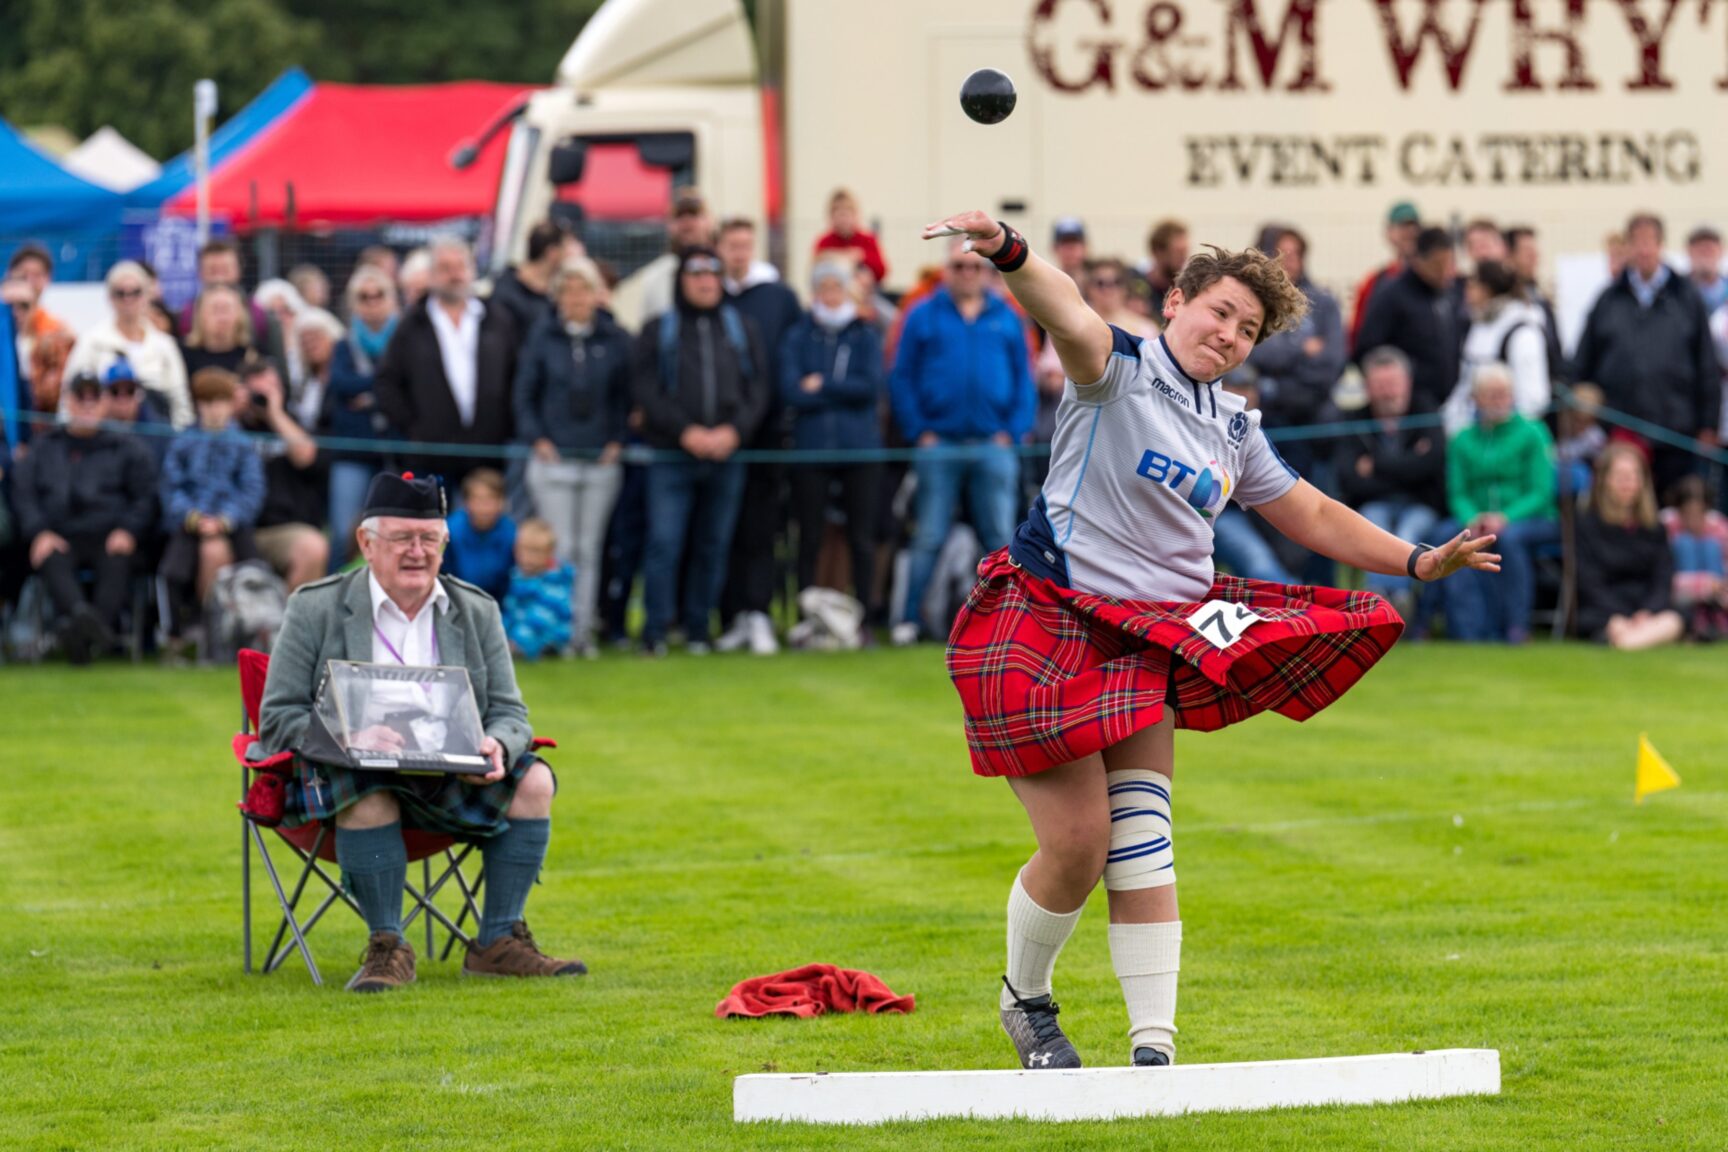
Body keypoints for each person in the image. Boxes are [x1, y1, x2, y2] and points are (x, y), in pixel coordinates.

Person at [920, 208, 1496, 1072]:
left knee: (1144, 835)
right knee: (1079, 846)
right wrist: (1009, 249)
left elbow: (1307, 510)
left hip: (1150, 636)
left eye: (1247, 330)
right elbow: (1065, 309)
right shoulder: (1115, 368)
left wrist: (1414, 559)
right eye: (1218, 312)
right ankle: (1027, 1001)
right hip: (1047, 619)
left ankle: (1155, 1052)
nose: (1228, 336)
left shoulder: (1233, 424)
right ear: (1179, 300)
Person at [257, 471, 584, 992]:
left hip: (451, 778)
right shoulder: (315, 607)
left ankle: (498, 942)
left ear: (444, 542)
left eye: (429, 539)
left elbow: (510, 713)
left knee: (536, 780)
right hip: (353, 773)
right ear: (367, 543)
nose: (417, 552)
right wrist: (349, 735)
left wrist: (496, 744)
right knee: (369, 794)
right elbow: (276, 718)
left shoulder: (476, 610)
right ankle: (387, 946)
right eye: (402, 538)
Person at [889, 239, 1035, 643]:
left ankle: (1011, 624)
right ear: (946, 270)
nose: (967, 273)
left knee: (1001, 541)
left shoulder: (1006, 316)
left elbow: (1025, 377)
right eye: (958, 266)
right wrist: (920, 430)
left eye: (974, 267)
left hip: (994, 443)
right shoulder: (922, 314)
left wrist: (1014, 430)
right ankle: (907, 620)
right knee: (929, 536)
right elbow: (901, 376)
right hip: (941, 444)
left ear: (986, 271)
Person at [631, 247, 770, 655]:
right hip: (672, 457)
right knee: (664, 543)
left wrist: (735, 431)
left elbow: (759, 389)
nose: (706, 282)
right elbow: (645, 389)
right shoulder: (659, 329)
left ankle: (697, 629)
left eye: (713, 274)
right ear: (682, 280)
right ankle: (655, 630)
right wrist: (684, 432)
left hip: (726, 456)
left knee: (713, 545)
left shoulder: (741, 327)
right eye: (696, 275)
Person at [514, 257, 630, 655]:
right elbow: (525, 394)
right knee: (559, 548)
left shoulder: (614, 339)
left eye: (584, 289)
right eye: (569, 290)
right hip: (553, 460)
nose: (577, 298)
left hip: (599, 461)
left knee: (588, 548)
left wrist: (617, 439)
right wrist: (538, 439)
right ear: (558, 295)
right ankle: (559, 631)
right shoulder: (541, 338)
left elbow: (624, 395)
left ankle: (582, 631)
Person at [11, 372, 158, 664]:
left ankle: (81, 633)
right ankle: (92, 630)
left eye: (95, 398)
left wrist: (128, 529)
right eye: (81, 398)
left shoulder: (127, 447)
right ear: (68, 401)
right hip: (59, 534)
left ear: (105, 403)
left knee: (118, 558)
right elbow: (23, 493)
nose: (88, 405)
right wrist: (38, 531)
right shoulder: (45, 445)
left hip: (109, 534)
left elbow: (147, 496)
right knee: (50, 557)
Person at [1572, 212, 1721, 496]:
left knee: (1674, 506)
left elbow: (1706, 364)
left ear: (1661, 245)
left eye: (1649, 241)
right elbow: (1583, 361)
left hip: (1676, 431)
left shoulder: (1686, 297)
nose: (1643, 250)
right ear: (1627, 247)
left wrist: (1708, 423)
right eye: (1636, 242)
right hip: (1620, 432)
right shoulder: (1608, 299)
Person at [779, 261, 887, 629]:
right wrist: (840, 390)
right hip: (811, 450)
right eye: (823, 287)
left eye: (836, 286)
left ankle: (865, 623)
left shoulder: (865, 334)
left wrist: (821, 384)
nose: (830, 294)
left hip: (861, 450)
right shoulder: (799, 335)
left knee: (862, 538)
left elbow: (870, 388)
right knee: (808, 537)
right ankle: (805, 619)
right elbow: (792, 391)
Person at [715, 217, 805, 656]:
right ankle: (732, 616)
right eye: (731, 245)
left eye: (745, 245)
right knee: (723, 531)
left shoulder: (778, 297)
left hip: (767, 432)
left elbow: (789, 359)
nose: (738, 252)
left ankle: (760, 613)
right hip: (720, 434)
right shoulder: (710, 294)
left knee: (762, 529)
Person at [374, 236, 519, 490]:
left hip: (487, 454)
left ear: (472, 270)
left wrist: (505, 424)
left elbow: (515, 375)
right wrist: (415, 428)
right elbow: (387, 383)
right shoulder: (411, 324)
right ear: (431, 275)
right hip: (430, 456)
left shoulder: (497, 319)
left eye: (460, 267)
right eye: (445, 268)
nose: (455, 275)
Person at [1439, 365, 1556, 643]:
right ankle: (1460, 625)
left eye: (1503, 394)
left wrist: (1504, 518)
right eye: (1490, 395)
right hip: (1477, 519)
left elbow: (1541, 492)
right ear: (1475, 399)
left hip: (1532, 518)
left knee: (1509, 540)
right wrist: (1472, 519)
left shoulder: (1533, 433)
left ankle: (1516, 625)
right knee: (1443, 537)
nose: (1498, 401)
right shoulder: (1462, 439)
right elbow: (1457, 492)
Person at [159, 368, 266, 651]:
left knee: (253, 573)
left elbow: (252, 490)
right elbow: (171, 487)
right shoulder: (182, 443)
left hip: (233, 524)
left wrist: (225, 519)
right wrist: (193, 518)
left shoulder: (244, 445)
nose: (214, 410)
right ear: (198, 405)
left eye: (220, 402)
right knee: (172, 573)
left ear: (231, 405)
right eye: (207, 403)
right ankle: (176, 637)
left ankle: (242, 633)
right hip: (189, 523)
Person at [1335, 347, 1446, 613]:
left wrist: (1377, 466)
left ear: (1407, 383)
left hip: (1421, 505)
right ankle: (1390, 603)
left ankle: (1385, 607)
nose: (1388, 392)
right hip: (1374, 504)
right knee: (1377, 531)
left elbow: (1432, 465)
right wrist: (1410, 468)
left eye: (1393, 383)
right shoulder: (1354, 420)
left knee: (1407, 535)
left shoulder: (1427, 413)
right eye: (1380, 385)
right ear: (1367, 388)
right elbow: (1349, 479)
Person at [1245, 226, 1346, 474]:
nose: (1290, 261)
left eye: (1296, 253)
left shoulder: (1323, 302)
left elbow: (1333, 361)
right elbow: (1258, 353)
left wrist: (1282, 361)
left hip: (1317, 417)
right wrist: (1302, 347)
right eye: (1282, 254)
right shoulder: (1253, 304)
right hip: (1269, 417)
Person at [1574, 443, 1684, 649]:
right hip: (1605, 610)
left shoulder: (1655, 527)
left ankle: (1629, 641)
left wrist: (1647, 611)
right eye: (1620, 476)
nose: (1628, 483)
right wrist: (1618, 614)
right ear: (1604, 480)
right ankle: (1634, 638)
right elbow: (1588, 580)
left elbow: (1663, 576)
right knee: (1605, 623)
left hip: (1648, 611)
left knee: (1674, 618)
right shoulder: (1587, 524)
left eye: (1633, 476)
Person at [326, 265, 401, 558]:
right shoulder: (344, 345)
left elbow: (404, 385)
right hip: (352, 450)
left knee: (396, 532)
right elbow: (340, 385)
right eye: (363, 296)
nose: (372, 302)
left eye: (379, 295)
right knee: (344, 530)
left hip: (394, 449)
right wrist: (381, 390)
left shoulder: (404, 341)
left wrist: (369, 394)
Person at [237, 360, 330, 592]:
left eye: (272, 389)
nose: (264, 397)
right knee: (212, 551)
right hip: (237, 527)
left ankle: (287, 625)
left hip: (285, 528)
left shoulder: (292, 422)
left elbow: (306, 455)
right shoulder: (232, 425)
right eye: (257, 392)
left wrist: (275, 414)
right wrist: (235, 409)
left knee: (313, 548)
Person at [64, 261, 192, 428]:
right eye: (120, 293)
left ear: (147, 295)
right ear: (110, 297)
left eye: (135, 292)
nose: (128, 299)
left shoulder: (164, 345)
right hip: (102, 438)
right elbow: (69, 395)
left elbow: (180, 401)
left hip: (155, 436)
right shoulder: (91, 342)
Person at [1354, 226, 1462, 413]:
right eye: (1438, 265)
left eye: (1449, 263)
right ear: (1419, 261)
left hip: (1450, 402)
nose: (1446, 272)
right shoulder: (1391, 296)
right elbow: (1366, 349)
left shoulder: (1450, 294)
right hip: (1410, 406)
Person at [1440, 260, 1550, 435]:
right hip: (1477, 436)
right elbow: (1466, 385)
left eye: (1472, 286)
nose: (1466, 294)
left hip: (1510, 438)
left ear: (1487, 288)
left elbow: (1533, 399)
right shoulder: (1478, 326)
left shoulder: (1522, 331)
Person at [1348, 202, 1420, 353]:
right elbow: (1358, 333)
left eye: (1413, 226)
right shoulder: (1374, 283)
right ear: (1389, 233)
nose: (1409, 232)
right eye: (1402, 227)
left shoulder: (1438, 282)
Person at [1662, 474, 1728, 639]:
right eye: (1687, 513)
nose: (1693, 520)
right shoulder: (1665, 525)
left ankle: (1716, 619)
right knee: (1685, 544)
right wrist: (1704, 584)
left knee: (1711, 546)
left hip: (1718, 593)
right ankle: (1694, 620)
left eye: (1699, 513)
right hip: (1677, 592)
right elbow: (1663, 576)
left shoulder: (1719, 526)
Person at [639, 187, 717, 324]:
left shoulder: (725, 269)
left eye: (693, 214)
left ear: (709, 221)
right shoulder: (655, 277)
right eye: (679, 215)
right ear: (669, 224)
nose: (686, 222)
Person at [503, 518, 575, 659]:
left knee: (537, 636)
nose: (527, 558)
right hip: (521, 629)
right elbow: (511, 609)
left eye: (535, 552)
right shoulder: (517, 576)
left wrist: (516, 640)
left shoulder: (554, 583)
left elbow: (541, 619)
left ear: (549, 554)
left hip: (547, 634)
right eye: (523, 551)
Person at [490, 219, 573, 339]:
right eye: (565, 249)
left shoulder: (557, 294)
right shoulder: (506, 290)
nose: (568, 256)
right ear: (552, 252)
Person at [445, 468, 517, 602]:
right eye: (477, 499)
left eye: (490, 499)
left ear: (501, 502)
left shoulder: (512, 534)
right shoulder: (449, 532)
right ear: (466, 503)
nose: (483, 507)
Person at [813, 187, 889, 284]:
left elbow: (882, 272)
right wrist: (841, 256)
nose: (843, 219)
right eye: (839, 214)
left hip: (865, 294)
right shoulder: (824, 242)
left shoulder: (867, 240)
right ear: (831, 216)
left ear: (855, 215)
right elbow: (815, 273)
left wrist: (861, 256)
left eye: (846, 213)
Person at [179, 284, 257, 378]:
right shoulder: (180, 354)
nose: (222, 317)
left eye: (227, 309)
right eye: (215, 310)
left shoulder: (255, 353)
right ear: (200, 316)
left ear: (240, 315)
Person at [1136, 219, 1189, 317]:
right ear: (1158, 251)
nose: (1183, 259)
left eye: (1185, 252)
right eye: (1178, 252)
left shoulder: (1187, 290)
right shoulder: (1137, 288)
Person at [1686, 226, 1727, 315]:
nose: (1706, 256)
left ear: (1721, 251)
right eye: (1701, 250)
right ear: (1689, 251)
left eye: (1710, 250)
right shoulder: (1676, 290)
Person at [1050, 218, 1089, 290]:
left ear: (1085, 247)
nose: (1070, 249)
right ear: (1054, 248)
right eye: (1065, 243)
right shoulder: (1047, 285)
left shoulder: (1101, 285)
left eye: (1074, 242)